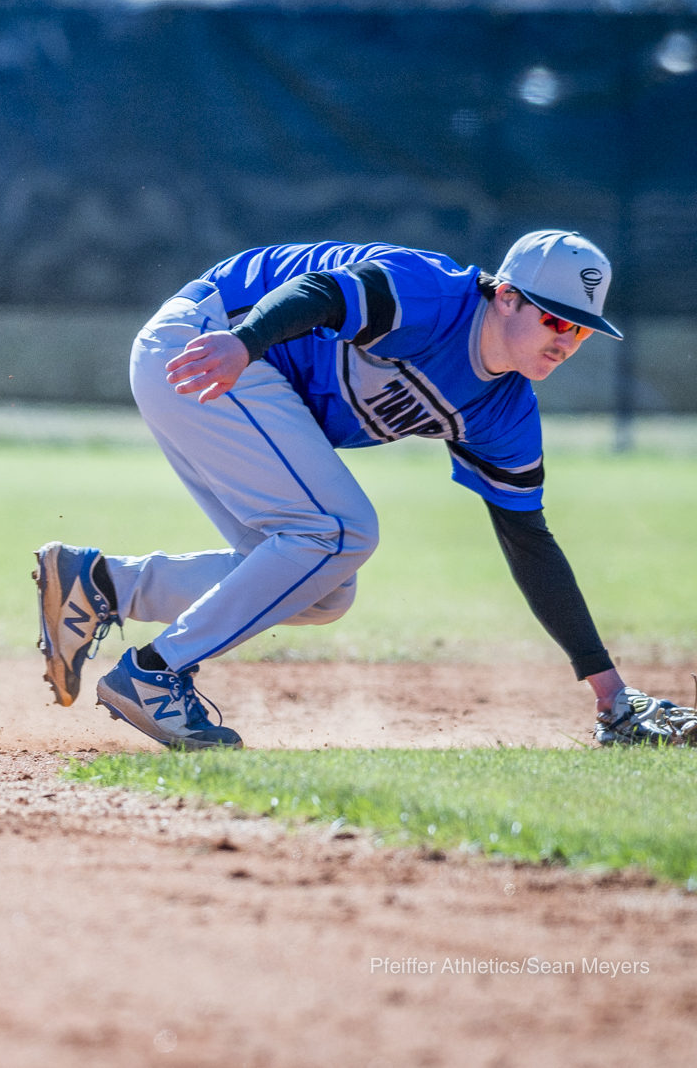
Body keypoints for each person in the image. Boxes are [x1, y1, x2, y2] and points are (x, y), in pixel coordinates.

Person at [36, 231, 691, 749]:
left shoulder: (505, 412)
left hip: (239, 372)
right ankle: (156, 671)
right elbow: (322, 291)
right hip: (210, 347)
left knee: (322, 588)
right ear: (509, 296)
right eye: (557, 320)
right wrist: (242, 341)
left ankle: (100, 584)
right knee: (343, 530)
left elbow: (529, 544)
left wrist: (611, 694)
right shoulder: (432, 297)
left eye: (581, 330)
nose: (568, 341)